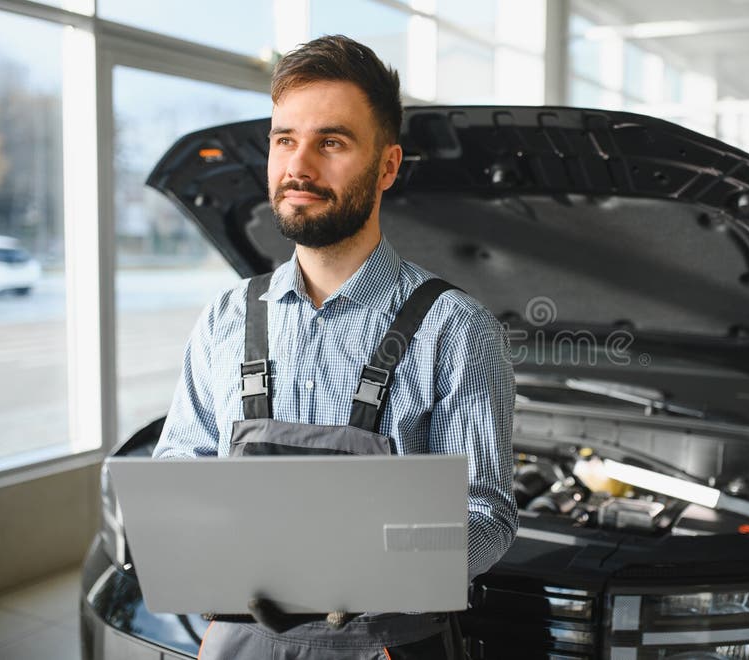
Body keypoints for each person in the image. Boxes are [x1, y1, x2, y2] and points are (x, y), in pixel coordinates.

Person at [152, 34, 518, 659]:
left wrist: (372, 563)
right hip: (240, 640)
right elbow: (179, 465)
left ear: (387, 166)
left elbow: (486, 517)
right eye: (284, 139)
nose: (300, 165)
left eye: (332, 142)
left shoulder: (459, 331)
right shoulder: (226, 317)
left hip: (387, 643)